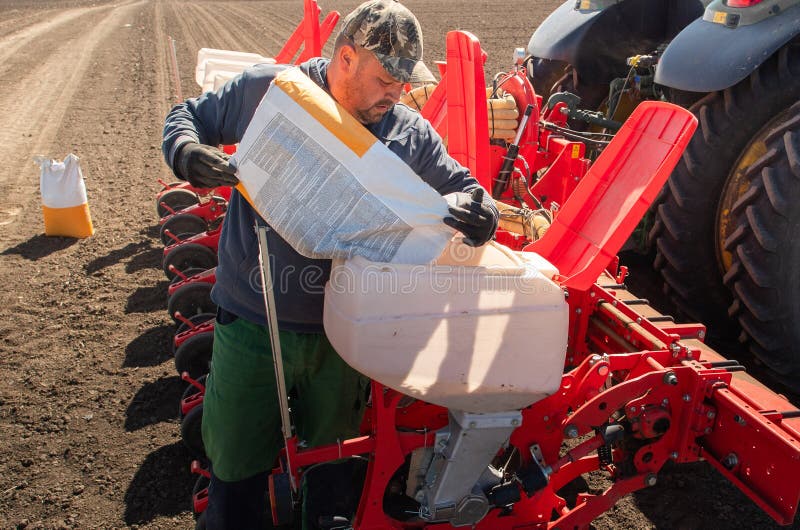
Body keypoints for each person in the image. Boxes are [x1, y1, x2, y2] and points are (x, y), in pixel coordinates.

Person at [162, 0, 499, 527]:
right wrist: (187, 153)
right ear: (346, 57)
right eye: (387, 79)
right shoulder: (269, 94)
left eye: (404, 83)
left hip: (345, 340)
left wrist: (483, 213)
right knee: (236, 465)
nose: (398, 93)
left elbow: (466, 188)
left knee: (332, 471)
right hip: (255, 321)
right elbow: (186, 117)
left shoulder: (408, 134)